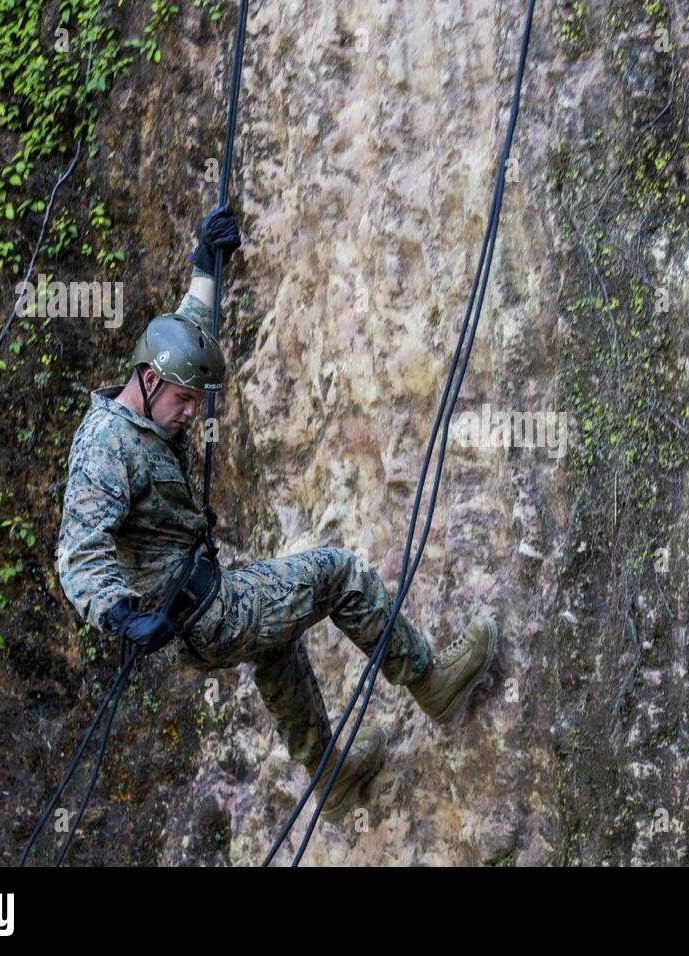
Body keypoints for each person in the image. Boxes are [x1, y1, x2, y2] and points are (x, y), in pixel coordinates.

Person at [54, 206, 498, 822]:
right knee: (337, 574)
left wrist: (206, 261)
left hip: (203, 605)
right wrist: (123, 617)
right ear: (149, 382)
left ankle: (330, 777)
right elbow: (80, 553)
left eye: (196, 401)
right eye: (185, 399)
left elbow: (189, 324)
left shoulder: (155, 396)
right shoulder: (108, 447)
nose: (191, 413)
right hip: (200, 616)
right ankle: (431, 681)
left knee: (276, 640)